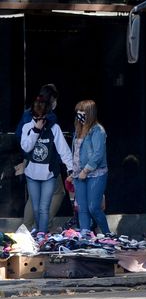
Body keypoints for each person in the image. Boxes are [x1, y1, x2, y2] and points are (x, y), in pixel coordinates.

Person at [19, 94, 76, 232]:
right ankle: (36, 232)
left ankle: (42, 235)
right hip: (32, 174)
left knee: (44, 208)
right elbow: (26, 147)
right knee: (36, 207)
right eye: (36, 117)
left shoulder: (54, 128)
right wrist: (36, 131)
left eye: (42, 117)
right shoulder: (27, 127)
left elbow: (64, 150)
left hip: (49, 174)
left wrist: (71, 169)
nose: (39, 120)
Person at [72, 99, 111, 235]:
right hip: (78, 174)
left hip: (96, 174)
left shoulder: (97, 130)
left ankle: (107, 233)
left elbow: (98, 154)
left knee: (93, 207)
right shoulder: (77, 129)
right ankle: (85, 235)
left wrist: (86, 169)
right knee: (82, 208)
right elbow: (76, 152)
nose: (79, 114)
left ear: (89, 113)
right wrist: (74, 171)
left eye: (82, 111)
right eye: (78, 111)